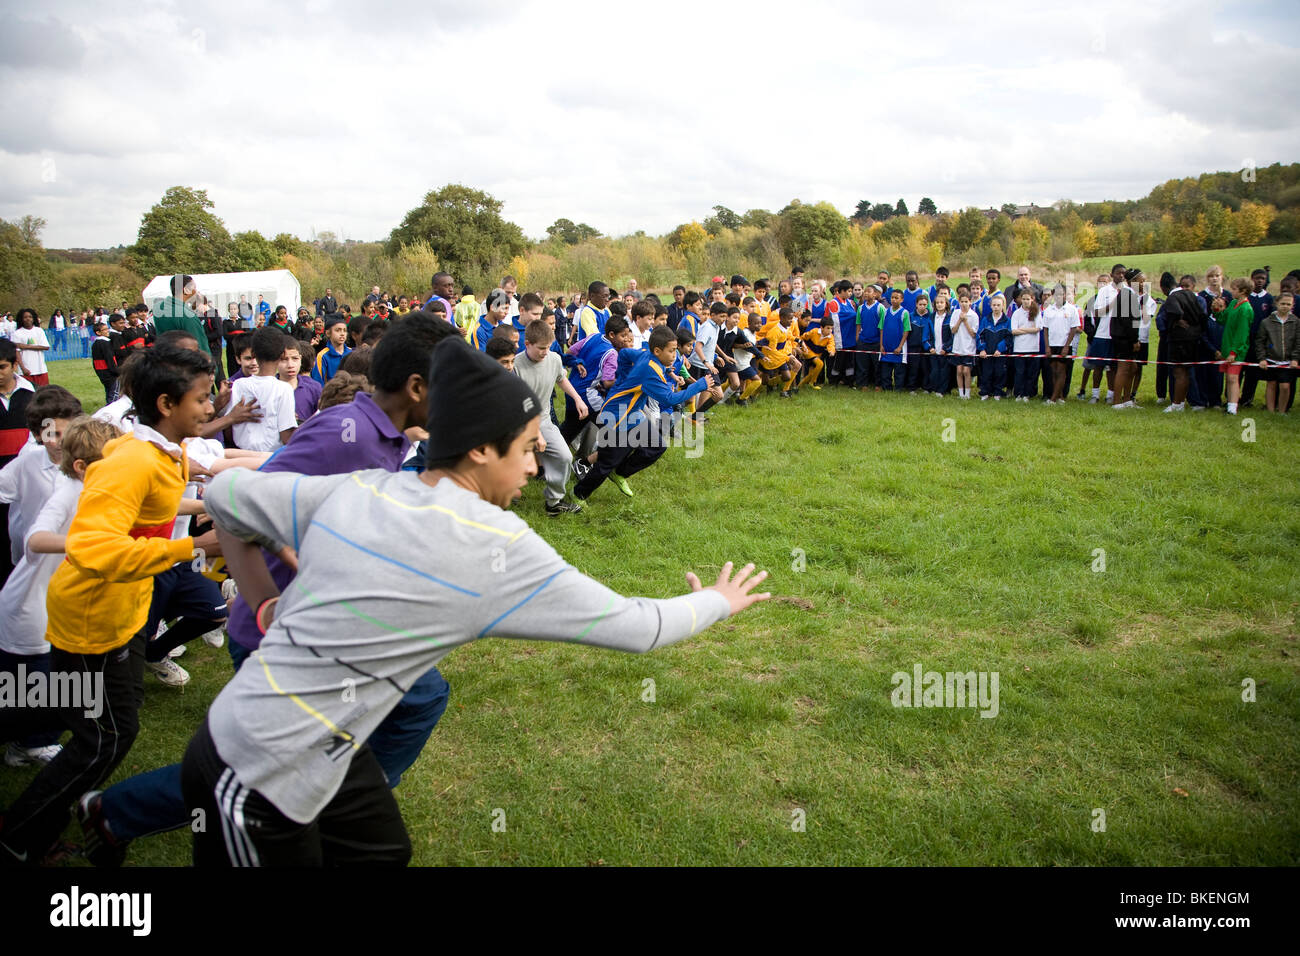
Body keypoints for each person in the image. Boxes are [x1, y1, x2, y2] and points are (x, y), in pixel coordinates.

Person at [0, 345, 220, 866]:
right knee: (104, 737)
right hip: (91, 617)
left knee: (108, 724)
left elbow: (170, 499)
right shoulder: (131, 461)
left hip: (125, 612)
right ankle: (20, 836)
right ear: (166, 403)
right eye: (204, 399)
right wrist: (193, 546)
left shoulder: (165, 451)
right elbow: (95, 548)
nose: (212, 409)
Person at [0, 416, 121, 768]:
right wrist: (88, 544)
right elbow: (35, 539)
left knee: (65, 693)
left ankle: (32, 742)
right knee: (29, 695)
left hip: (59, 607)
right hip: (30, 607)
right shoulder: (67, 492)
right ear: (83, 467)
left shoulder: (99, 489)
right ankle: (26, 742)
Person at [516, 320, 587, 516]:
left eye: (548, 347)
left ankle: (554, 502)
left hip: (544, 420)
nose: (545, 352)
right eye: (541, 348)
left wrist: (578, 398)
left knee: (565, 457)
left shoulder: (554, 358)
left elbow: (561, 379)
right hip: (519, 423)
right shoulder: (515, 366)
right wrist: (535, 433)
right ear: (527, 344)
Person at [1213, 277, 1254, 416]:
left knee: (1233, 378)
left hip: (1236, 350)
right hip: (1227, 345)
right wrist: (1217, 309)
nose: (1231, 291)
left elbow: (1242, 334)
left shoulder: (1246, 309)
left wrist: (1234, 352)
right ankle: (1230, 403)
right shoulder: (1234, 304)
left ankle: (1233, 407)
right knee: (1228, 377)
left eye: (1234, 289)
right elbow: (1223, 319)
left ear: (1243, 291)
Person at [1255, 291, 1297, 413]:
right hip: (1271, 359)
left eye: (1288, 304)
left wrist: (1295, 358)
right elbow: (1260, 341)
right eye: (1283, 303)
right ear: (1276, 304)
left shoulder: (1296, 322)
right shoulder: (1266, 322)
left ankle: (1282, 411)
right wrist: (1262, 358)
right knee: (1271, 384)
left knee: (1285, 386)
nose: (1285, 306)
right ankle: (1270, 411)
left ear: (1292, 306)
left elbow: (1298, 343)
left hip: (1287, 361)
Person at [1110, 268, 1144, 409]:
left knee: (1132, 368)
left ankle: (1127, 399)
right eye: (1142, 280)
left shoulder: (1132, 295)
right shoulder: (1126, 295)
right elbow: (1128, 321)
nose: (1144, 283)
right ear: (1134, 281)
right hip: (1124, 338)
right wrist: (1134, 340)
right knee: (1123, 369)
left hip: (1127, 337)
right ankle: (1117, 402)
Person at [1041, 283, 1080, 404]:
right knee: (1053, 370)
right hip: (1052, 344)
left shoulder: (1071, 309)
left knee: (1061, 371)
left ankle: (1052, 399)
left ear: (1065, 295)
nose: (1059, 297)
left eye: (1061, 294)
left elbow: (1073, 329)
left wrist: (1066, 346)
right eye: (1056, 295)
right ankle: (1060, 396)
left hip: (1064, 345)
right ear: (1053, 295)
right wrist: (1047, 346)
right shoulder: (1048, 310)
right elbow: (1045, 329)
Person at [152, 275, 212, 355]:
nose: (196, 292)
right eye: (194, 288)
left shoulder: (158, 307)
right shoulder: (187, 316)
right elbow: (201, 347)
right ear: (186, 290)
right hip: (186, 362)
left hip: (164, 359)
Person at [1009, 290, 1042, 402]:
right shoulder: (1016, 313)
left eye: (1028, 299)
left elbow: (1037, 329)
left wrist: (1022, 329)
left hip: (1033, 348)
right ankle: (1018, 393)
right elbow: (1013, 331)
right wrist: (1029, 330)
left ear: (1032, 299)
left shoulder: (1036, 312)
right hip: (1019, 347)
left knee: (1030, 372)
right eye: (1023, 299)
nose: (1026, 301)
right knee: (1020, 372)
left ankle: (1027, 394)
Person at [977, 293, 1010, 400]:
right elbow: (980, 335)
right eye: (994, 305)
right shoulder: (985, 320)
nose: (996, 307)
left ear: (1003, 306)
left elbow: (1009, 337)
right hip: (987, 352)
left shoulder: (1007, 321)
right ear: (991, 306)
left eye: (998, 305)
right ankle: (985, 392)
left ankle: (997, 392)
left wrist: (1000, 349)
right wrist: (982, 349)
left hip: (999, 354)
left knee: (999, 372)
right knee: (986, 372)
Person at [878, 289, 911, 391]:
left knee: (899, 371)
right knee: (885, 371)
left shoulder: (904, 313)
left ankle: (898, 389)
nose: (894, 300)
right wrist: (881, 345)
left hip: (898, 347)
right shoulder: (886, 311)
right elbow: (881, 328)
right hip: (886, 346)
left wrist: (900, 346)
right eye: (892, 297)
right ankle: (886, 388)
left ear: (901, 300)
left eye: (896, 298)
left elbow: (906, 331)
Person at [10, 309, 51, 387]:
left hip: (40, 369)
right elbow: (16, 352)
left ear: (33, 318)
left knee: (43, 393)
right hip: (26, 370)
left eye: (30, 317)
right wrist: (23, 368)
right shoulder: (17, 334)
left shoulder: (39, 331)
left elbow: (46, 347)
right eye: (25, 317)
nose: (28, 319)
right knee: (29, 395)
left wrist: (25, 346)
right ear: (21, 319)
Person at [311, 316, 352, 384]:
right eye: (338, 330)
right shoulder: (322, 356)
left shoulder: (351, 353)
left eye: (344, 330)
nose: (342, 334)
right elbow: (317, 383)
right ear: (328, 333)